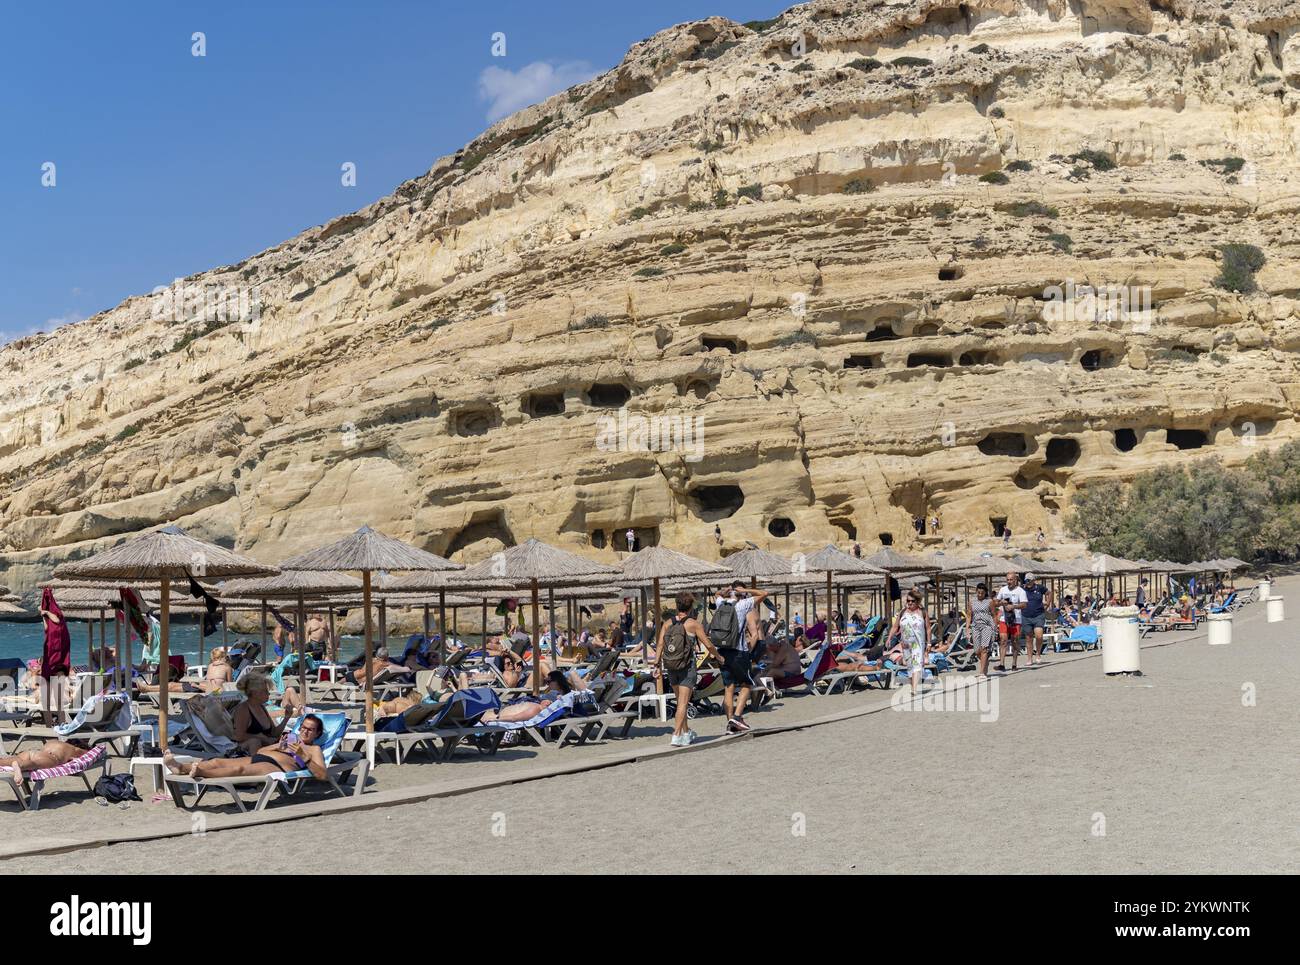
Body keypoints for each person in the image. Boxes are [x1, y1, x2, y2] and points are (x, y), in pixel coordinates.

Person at [166, 713, 328, 781]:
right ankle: (180, 767)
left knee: (239, 771)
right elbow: (260, 751)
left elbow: (322, 775)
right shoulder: (290, 740)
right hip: (261, 757)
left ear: (317, 733)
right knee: (217, 761)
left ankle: (201, 772)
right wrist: (279, 746)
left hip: (275, 767)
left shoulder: (314, 750)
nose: (305, 731)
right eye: (303, 727)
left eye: (310, 729)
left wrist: (304, 756)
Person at [654, 592, 724, 746]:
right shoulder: (693, 624)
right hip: (687, 667)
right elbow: (708, 644)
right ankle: (676, 734)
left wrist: (656, 665)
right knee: (683, 703)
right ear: (690, 606)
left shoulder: (667, 623)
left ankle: (686, 733)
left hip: (671, 666)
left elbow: (659, 645)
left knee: (680, 701)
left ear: (677, 605)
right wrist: (719, 657)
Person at [710, 581, 768, 733]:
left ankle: (730, 724)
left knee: (728, 687)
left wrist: (725, 590)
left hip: (722, 650)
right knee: (746, 684)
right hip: (738, 651)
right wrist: (745, 590)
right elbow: (764, 594)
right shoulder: (743, 605)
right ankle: (736, 717)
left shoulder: (720, 603)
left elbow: (716, 595)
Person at [231, 672, 302, 755]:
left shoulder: (261, 707)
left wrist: (287, 717)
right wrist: (262, 738)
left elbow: (274, 733)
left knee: (294, 738)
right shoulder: (243, 709)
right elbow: (239, 736)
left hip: (266, 747)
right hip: (249, 750)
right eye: (265, 691)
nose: (268, 693)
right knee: (254, 742)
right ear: (255, 693)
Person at [37, 588, 71, 726]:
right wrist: (43, 615)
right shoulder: (54, 626)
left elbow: (56, 620)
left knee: (58, 698)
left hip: (58, 665)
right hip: (49, 663)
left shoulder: (59, 621)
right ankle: (49, 724)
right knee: (46, 697)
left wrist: (46, 612)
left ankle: (61, 723)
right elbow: (48, 627)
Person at [138, 647, 232, 694]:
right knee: (172, 685)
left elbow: (224, 688)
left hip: (211, 692)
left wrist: (199, 686)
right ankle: (147, 688)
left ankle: (148, 688)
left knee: (171, 686)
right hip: (209, 690)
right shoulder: (224, 667)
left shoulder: (214, 666)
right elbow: (229, 685)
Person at [887, 590, 930, 694]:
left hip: (918, 644)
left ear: (918, 601)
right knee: (909, 666)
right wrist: (889, 638)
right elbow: (895, 627)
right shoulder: (902, 612)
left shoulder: (922, 612)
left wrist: (929, 643)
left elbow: (928, 628)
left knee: (917, 665)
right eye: (908, 600)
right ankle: (913, 686)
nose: (910, 603)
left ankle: (914, 689)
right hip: (905, 644)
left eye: (912, 601)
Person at [1, 737, 90, 777]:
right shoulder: (74, 749)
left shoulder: (54, 741)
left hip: (34, 751)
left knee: (16, 758)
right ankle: (18, 765)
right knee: (35, 764)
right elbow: (87, 753)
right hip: (51, 757)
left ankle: (4, 761)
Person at [995, 571, 1027, 672]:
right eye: (1007, 580)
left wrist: (1013, 606)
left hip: (1015, 619)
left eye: (1011, 580)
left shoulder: (1021, 591)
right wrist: (1001, 602)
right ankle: (1001, 664)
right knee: (1003, 640)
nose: (1009, 582)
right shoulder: (1003, 589)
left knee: (1014, 641)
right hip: (1004, 619)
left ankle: (1014, 663)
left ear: (1015, 580)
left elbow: (1024, 604)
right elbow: (995, 602)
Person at [1020, 573, 1052, 667]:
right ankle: (1029, 658)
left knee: (1039, 635)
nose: (1028, 582)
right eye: (1027, 580)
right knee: (1029, 638)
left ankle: (1038, 654)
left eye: (1030, 580)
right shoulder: (1022, 589)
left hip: (1039, 614)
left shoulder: (1039, 588)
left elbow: (1049, 593)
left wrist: (1047, 604)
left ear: (1034, 580)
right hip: (1026, 615)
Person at [966, 583, 996, 677]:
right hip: (975, 627)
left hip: (987, 626)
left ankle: (982, 672)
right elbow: (969, 615)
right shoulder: (972, 601)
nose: (980, 595)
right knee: (977, 650)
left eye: (982, 593)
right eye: (978, 592)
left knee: (984, 649)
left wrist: (994, 627)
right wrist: (967, 628)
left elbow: (994, 614)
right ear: (976, 591)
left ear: (985, 593)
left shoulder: (989, 601)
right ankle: (985, 662)